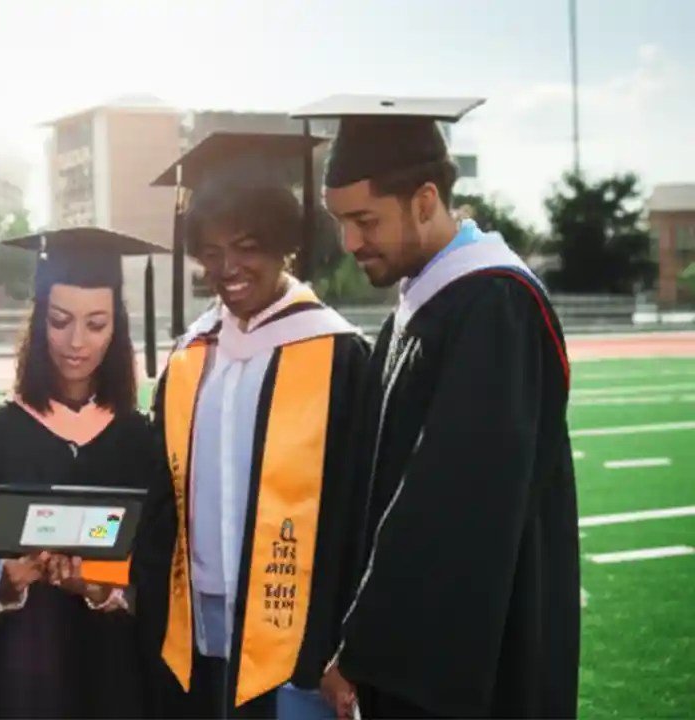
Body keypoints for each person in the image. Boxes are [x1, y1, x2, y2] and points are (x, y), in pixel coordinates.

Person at [291, 94, 580, 718]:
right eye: (339, 222)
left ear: (425, 201)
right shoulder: (419, 307)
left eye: (365, 221)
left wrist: (366, 649)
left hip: (474, 666)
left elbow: (450, 509)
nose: (349, 242)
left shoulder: (495, 307)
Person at [138, 131, 372, 719]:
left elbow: (358, 509)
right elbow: (164, 497)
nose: (228, 268)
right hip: (197, 624)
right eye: (211, 253)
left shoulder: (335, 354)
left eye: (246, 247)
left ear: (282, 244)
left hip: (300, 632)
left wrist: (348, 641)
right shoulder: (193, 355)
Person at [0, 227, 167, 718]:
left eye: (97, 323)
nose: (76, 342)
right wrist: (4, 580)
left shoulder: (143, 441)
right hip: (14, 685)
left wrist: (99, 587)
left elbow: (162, 571)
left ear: (118, 327)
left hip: (115, 682)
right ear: (38, 318)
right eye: (60, 320)